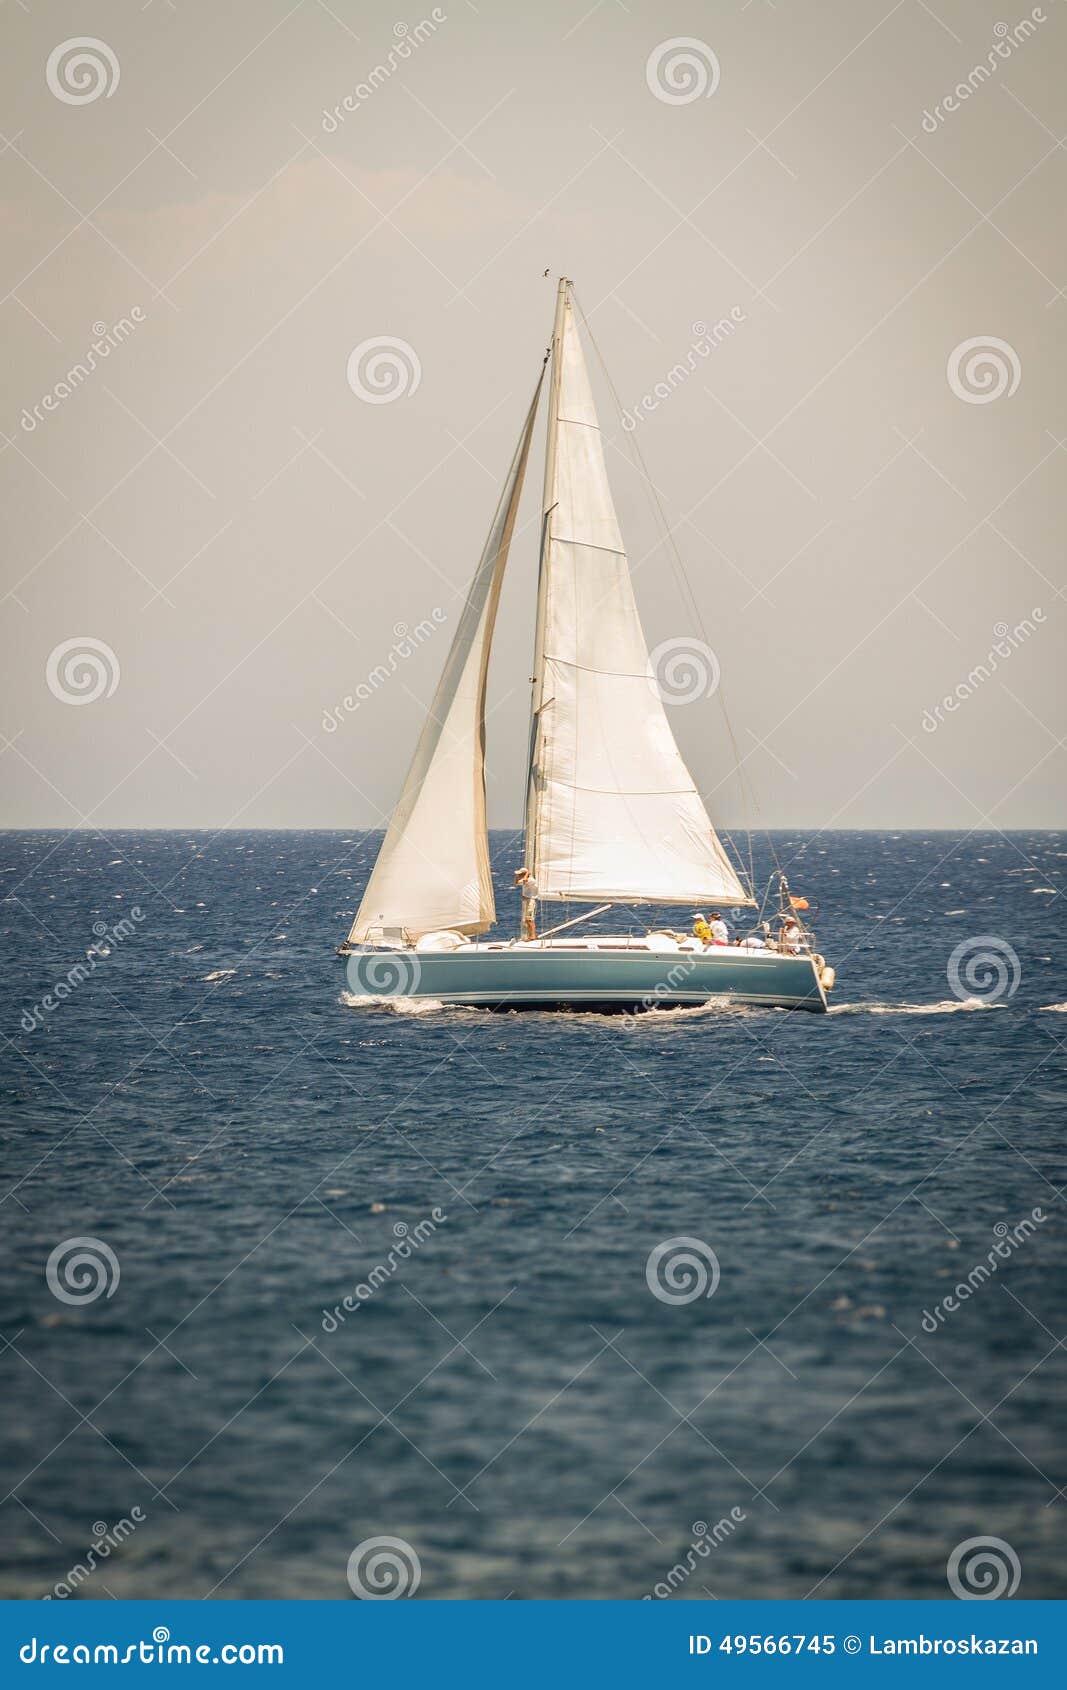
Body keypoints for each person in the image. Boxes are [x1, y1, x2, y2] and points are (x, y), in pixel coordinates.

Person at [513, 867, 538, 942]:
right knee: (527, 919)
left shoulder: (531, 880)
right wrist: (517, 877)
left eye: (520, 874)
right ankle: (530, 935)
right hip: (526, 900)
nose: (519, 876)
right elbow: (516, 884)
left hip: (531, 900)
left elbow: (524, 880)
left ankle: (532, 936)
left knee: (529, 919)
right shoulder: (526, 879)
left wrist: (527, 873)